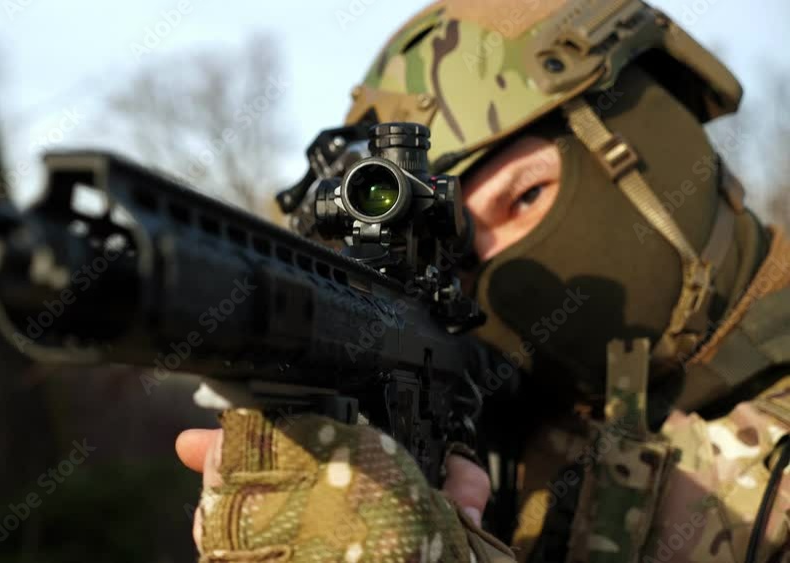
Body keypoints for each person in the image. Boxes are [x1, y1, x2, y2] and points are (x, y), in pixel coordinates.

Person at [176, 0, 790, 561]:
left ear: (657, 147)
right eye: (457, 256)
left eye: (524, 196)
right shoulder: (511, 433)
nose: (489, 268)